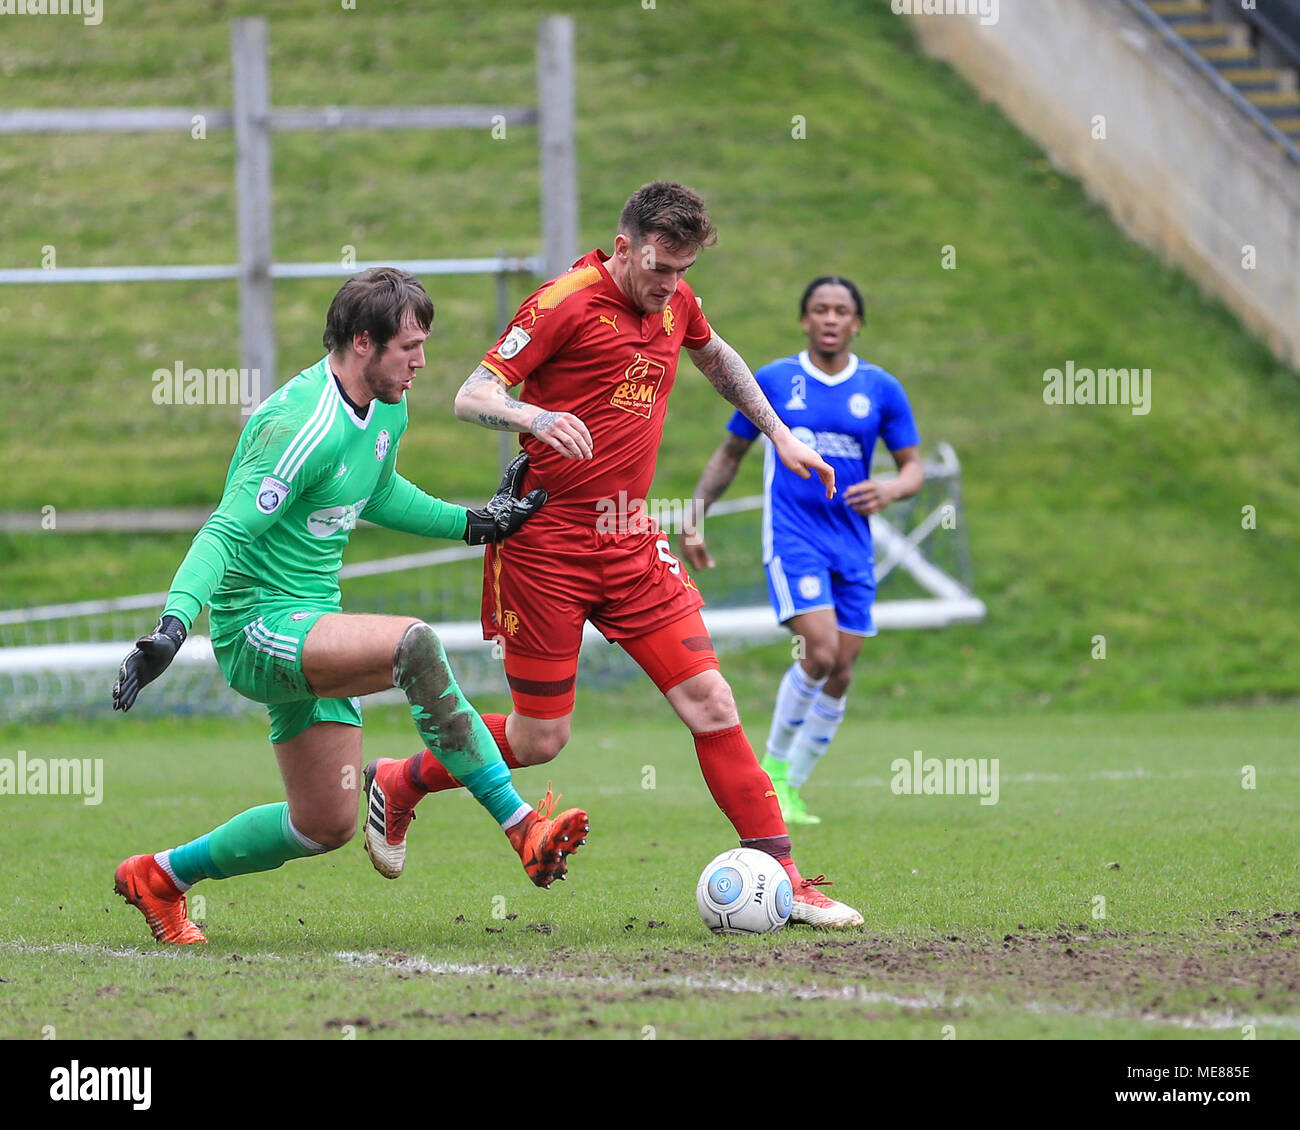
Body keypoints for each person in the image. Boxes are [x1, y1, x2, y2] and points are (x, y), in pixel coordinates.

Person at [365, 182, 864, 928]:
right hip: (546, 545)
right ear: (624, 245)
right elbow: (472, 394)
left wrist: (780, 433)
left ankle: (788, 880)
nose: (670, 285)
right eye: (660, 267)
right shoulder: (563, 301)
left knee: (712, 701)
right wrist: (536, 414)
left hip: (631, 539)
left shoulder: (677, 301)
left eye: (684, 271)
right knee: (541, 740)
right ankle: (400, 780)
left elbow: (715, 354)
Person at [111, 267, 589, 946]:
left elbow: (381, 492)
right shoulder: (300, 423)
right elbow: (224, 530)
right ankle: (522, 828)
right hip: (259, 631)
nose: (422, 362)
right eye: (409, 347)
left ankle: (158, 878)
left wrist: (478, 523)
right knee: (413, 645)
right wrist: (173, 624)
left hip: (314, 627)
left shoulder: (387, 405)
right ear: (362, 342)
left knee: (324, 824)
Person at [682, 275, 923, 824]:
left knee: (841, 671)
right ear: (805, 320)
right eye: (820, 309)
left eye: (842, 310)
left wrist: (889, 488)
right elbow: (730, 453)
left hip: (852, 542)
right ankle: (770, 773)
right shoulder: (774, 379)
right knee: (821, 652)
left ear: (857, 322)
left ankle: (790, 782)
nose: (831, 319)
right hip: (794, 538)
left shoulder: (881, 389)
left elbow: (914, 469)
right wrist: (695, 516)